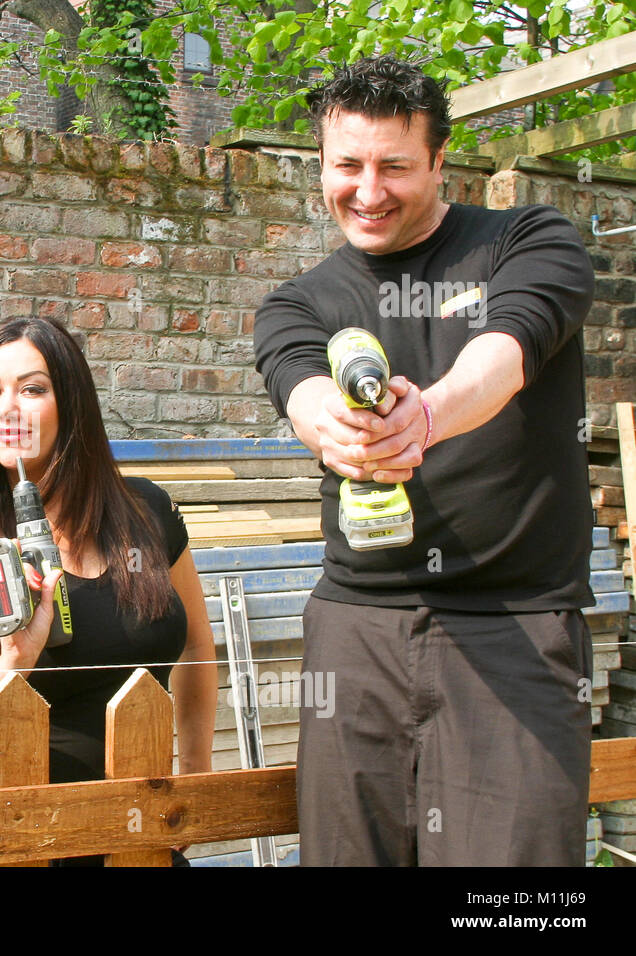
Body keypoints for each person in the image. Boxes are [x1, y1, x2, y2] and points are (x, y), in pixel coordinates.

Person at [253, 55, 596, 865]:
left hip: (514, 621)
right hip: (357, 628)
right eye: (347, 165)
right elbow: (298, 386)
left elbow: (508, 352)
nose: (367, 191)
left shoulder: (527, 240)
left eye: (395, 167)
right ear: (322, 163)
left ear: (441, 161)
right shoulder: (299, 301)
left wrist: (428, 416)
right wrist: (332, 428)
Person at [0, 317, 217, 863]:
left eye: (32, 389)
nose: (6, 408)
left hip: (141, 833)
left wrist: (194, 775)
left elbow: (196, 647)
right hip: (24, 842)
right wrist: (13, 661)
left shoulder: (148, 514)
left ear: (72, 405)